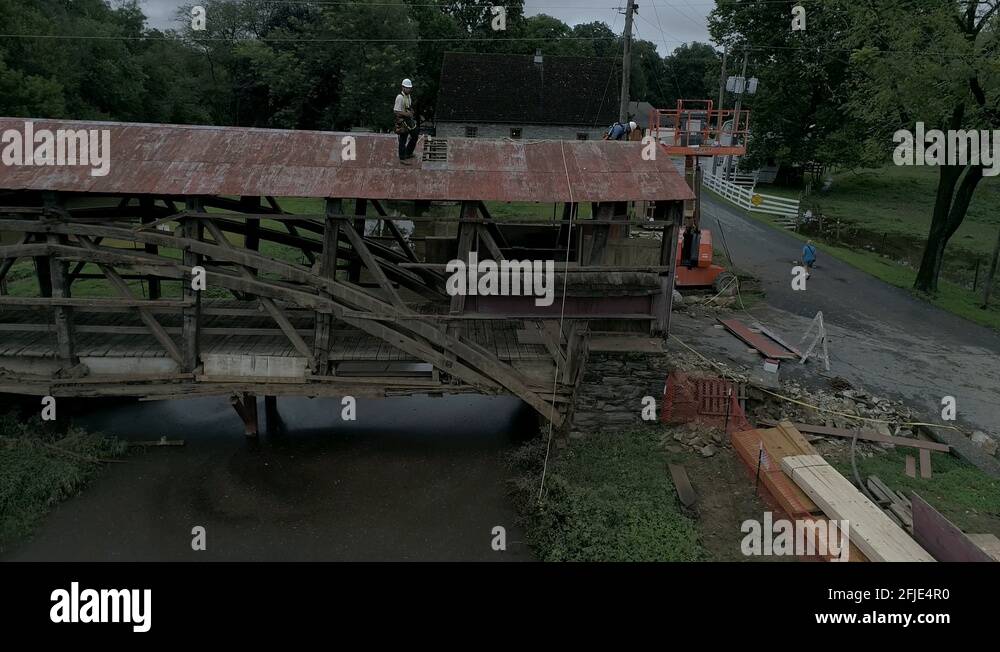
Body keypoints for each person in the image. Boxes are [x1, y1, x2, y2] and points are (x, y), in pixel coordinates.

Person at [394, 78, 418, 163]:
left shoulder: (408, 97)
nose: (408, 89)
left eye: (409, 88)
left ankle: (408, 152)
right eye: (407, 88)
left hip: (408, 120)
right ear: (403, 87)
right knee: (403, 138)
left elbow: (408, 106)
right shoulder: (400, 97)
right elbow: (396, 111)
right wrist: (406, 114)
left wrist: (411, 111)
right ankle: (402, 158)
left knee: (415, 135)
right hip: (401, 120)